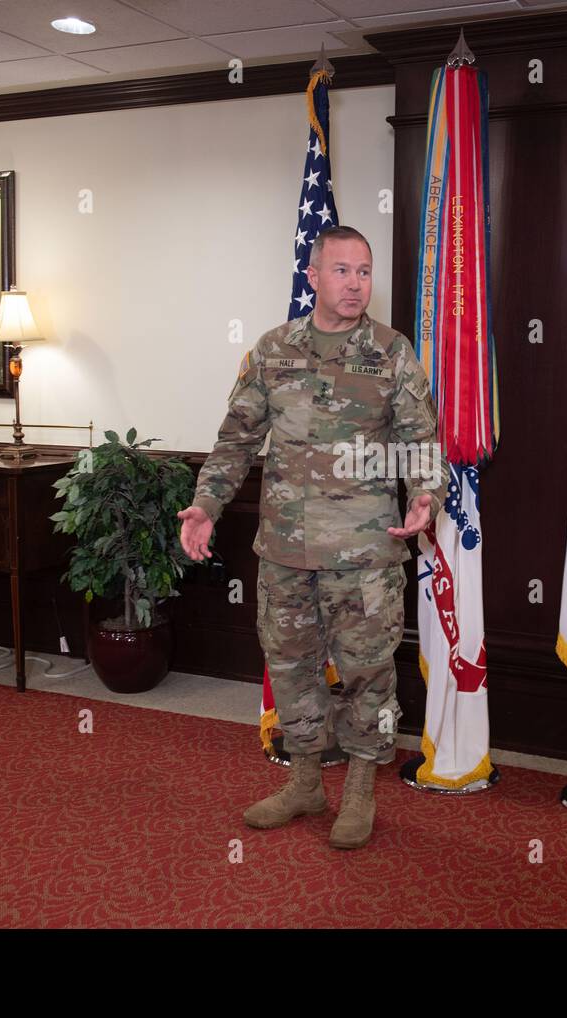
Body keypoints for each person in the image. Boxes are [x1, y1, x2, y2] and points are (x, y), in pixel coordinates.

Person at [177, 225, 446, 850]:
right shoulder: (273, 351)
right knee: (293, 668)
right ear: (314, 275)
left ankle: (359, 790)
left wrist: (425, 494)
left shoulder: (391, 351)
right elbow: (237, 439)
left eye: (365, 272)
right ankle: (303, 783)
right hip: (286, 550)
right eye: (343, 271)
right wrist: (206, 503)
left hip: (365, 552)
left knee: (367, 673)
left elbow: (420, 441)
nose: (356, 284)